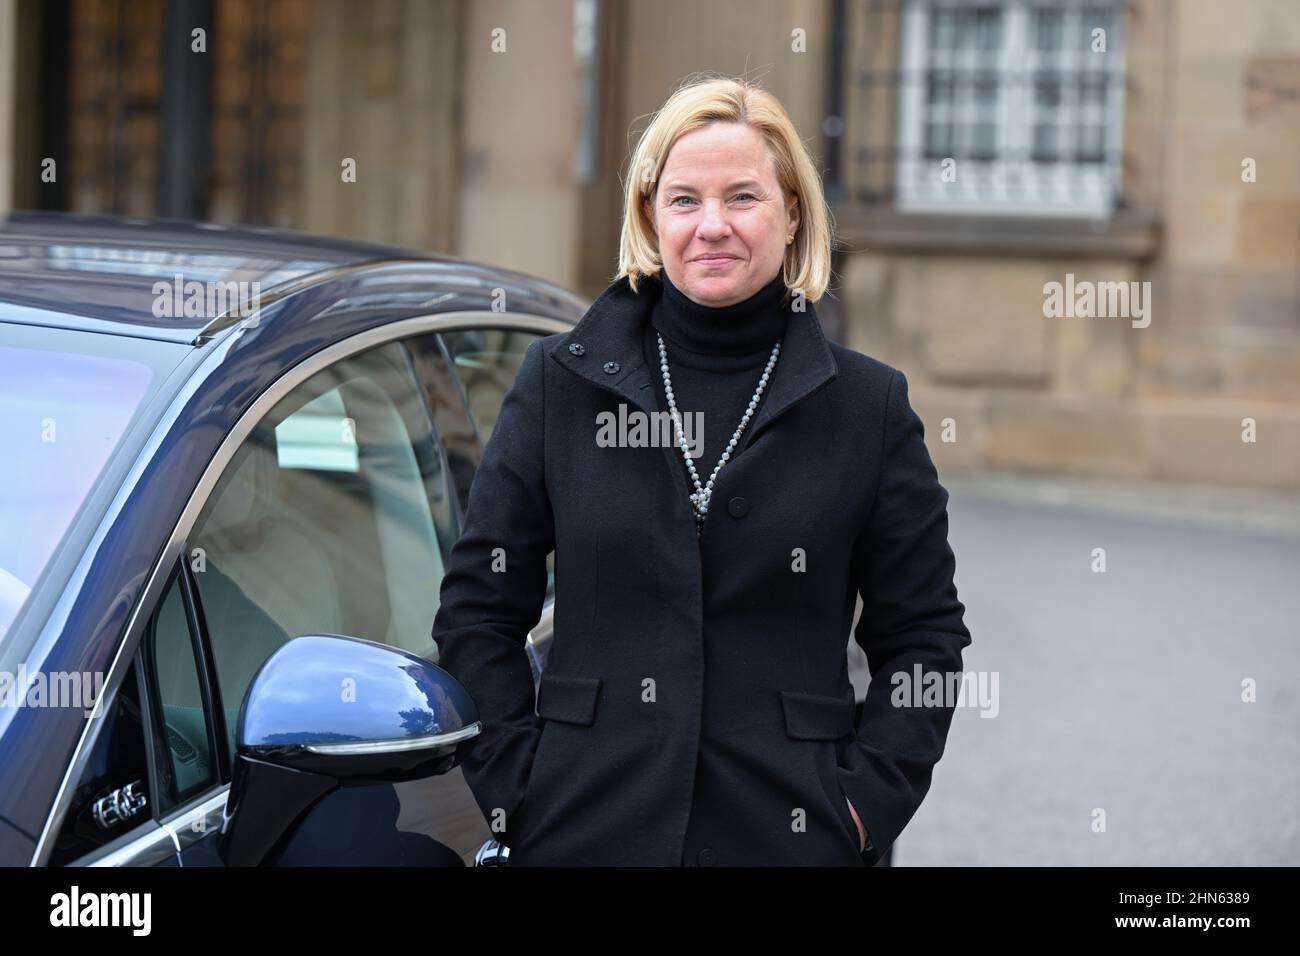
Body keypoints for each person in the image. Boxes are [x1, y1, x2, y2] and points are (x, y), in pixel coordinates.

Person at [431, 75, 971, 866]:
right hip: (584, 827)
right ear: (650, 216)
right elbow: (480, 607)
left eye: (742, 197)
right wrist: (519, 792)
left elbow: (923, 637)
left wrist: (861, 807)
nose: (711, 226)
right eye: (684, 199)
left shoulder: (868, 407)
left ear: (792, 215)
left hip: (792, 833)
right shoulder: (560, 381)